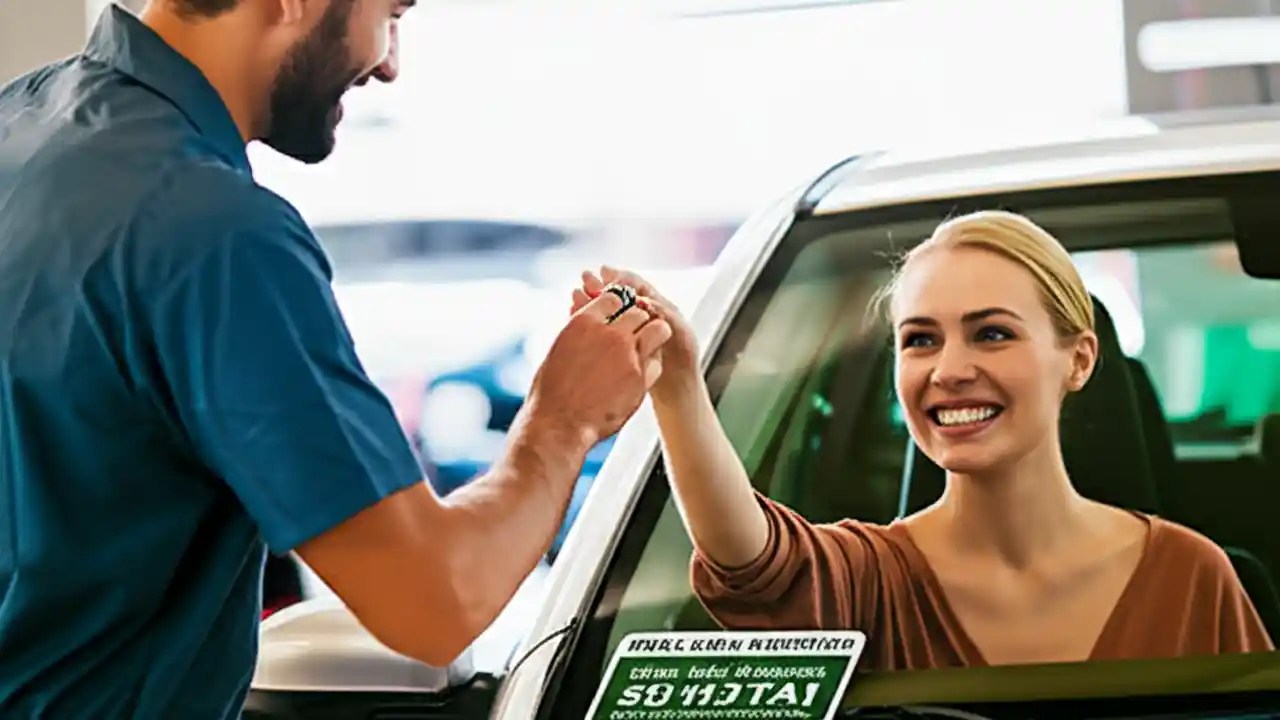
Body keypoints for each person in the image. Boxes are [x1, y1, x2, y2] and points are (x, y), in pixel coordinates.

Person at [0, 1, 671, 717]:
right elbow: (431, 601)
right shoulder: (212, 234)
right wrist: (560, 423)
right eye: (389, 12)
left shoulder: (23, 123)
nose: (389, 63)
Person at [572, 210, 1274, 673]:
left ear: (1079, 360)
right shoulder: (867, 581)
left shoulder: (1192, 577)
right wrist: (679, 388)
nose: (950, 370)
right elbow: (746, 558)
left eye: (992, 333)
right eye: (920, 340)